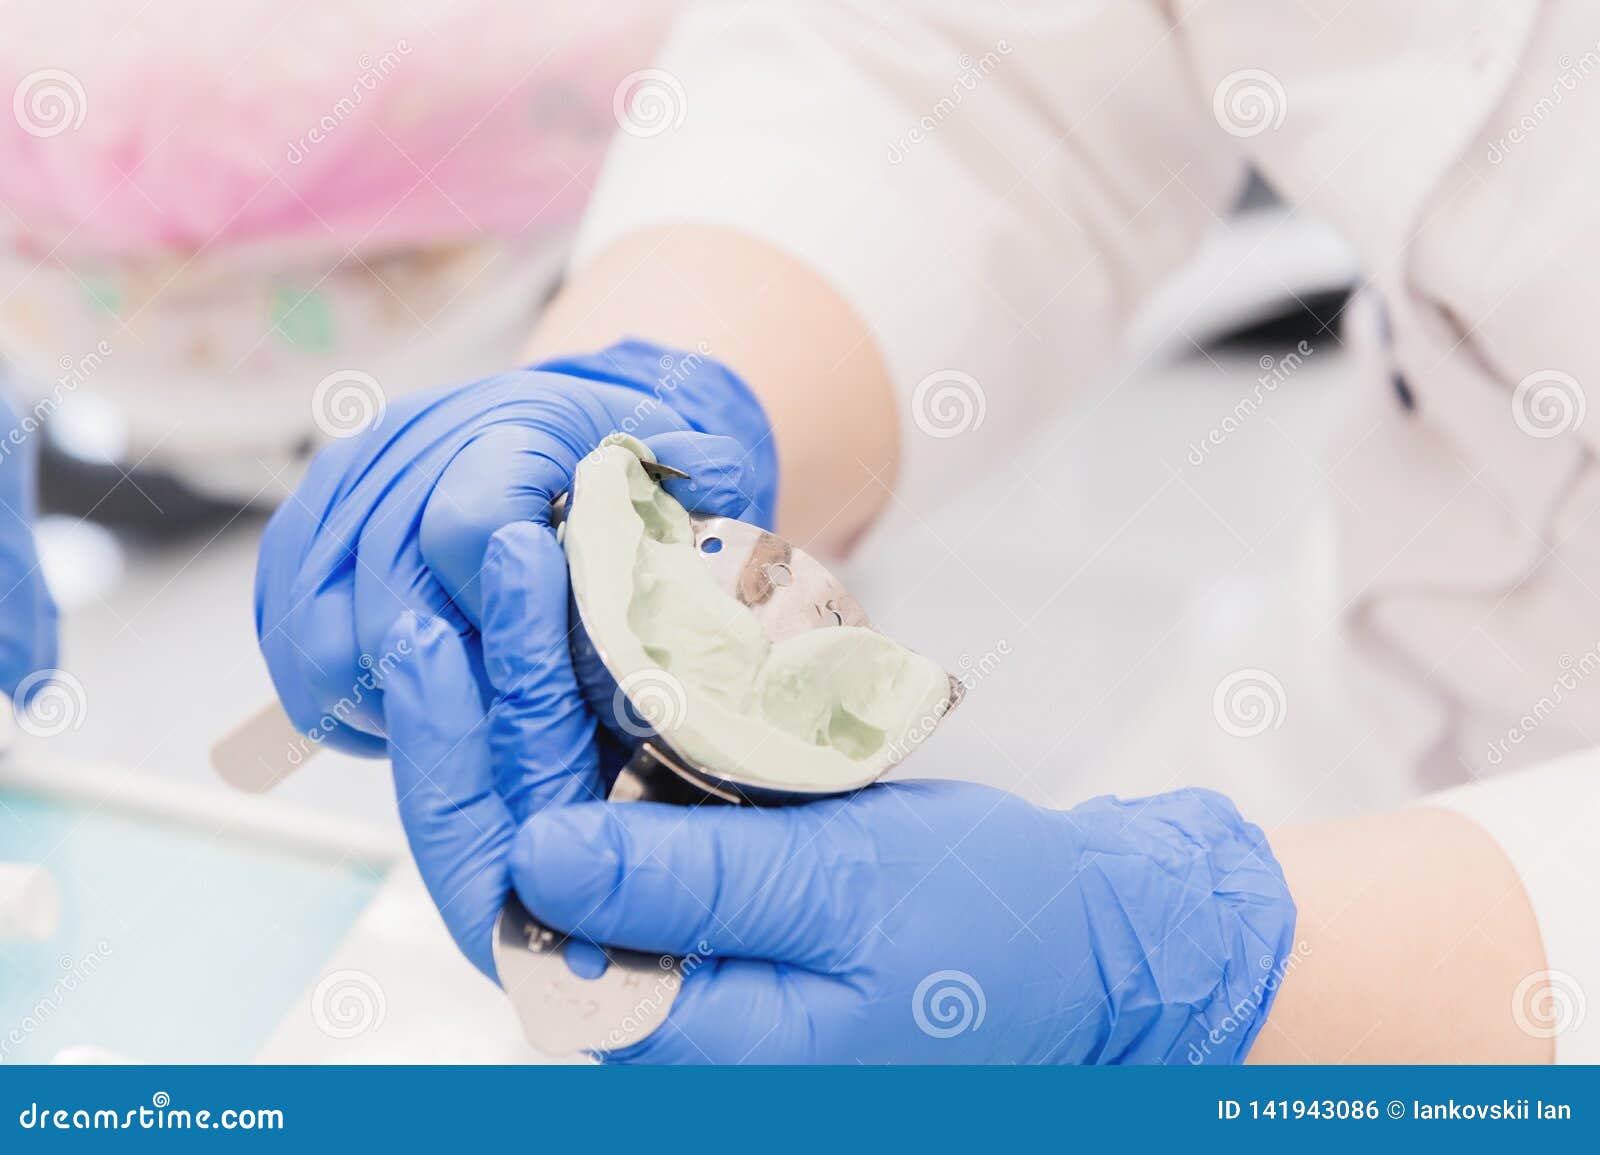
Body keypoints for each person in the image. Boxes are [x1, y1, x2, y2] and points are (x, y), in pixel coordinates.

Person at [3, 3, 1593, 1062]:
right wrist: (674, 372)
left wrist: (1190, 969)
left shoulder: (1121, 952)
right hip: (1356, 733)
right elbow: (966, 52)